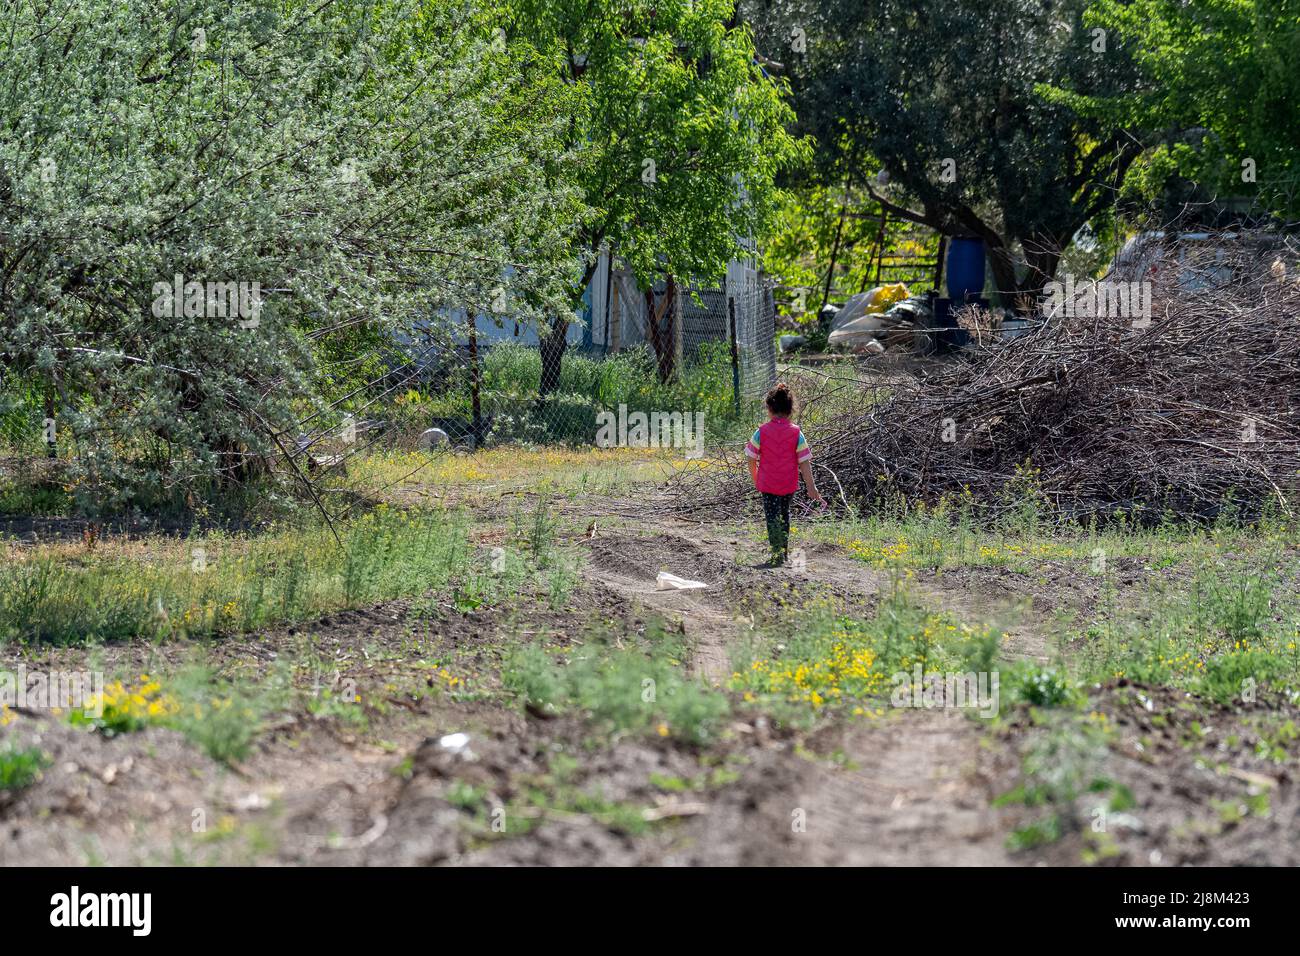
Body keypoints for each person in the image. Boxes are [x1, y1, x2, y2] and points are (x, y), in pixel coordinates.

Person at [745, 382, 824, 566]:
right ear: (790, 410)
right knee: (784, 515)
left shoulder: (761, 432)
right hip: (788, 484)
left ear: (769, 408)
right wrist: (811, 487)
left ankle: (776, 553)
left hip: (768, 485)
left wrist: (756, 478)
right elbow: (804, 462)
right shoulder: (797, 433)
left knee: (772, 517)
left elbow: (750, 457)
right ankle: (784, 552)